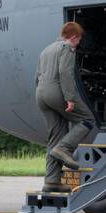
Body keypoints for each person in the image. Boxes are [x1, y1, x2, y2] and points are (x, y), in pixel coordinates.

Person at [34, 22, 94, 192]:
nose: (78, 44)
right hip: (56, 91)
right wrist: (69, 98)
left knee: (55, 136)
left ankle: (52, 181)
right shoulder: (67, 48)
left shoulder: (46, 50)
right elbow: (65, 73)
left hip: (41, 94)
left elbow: (36, 76)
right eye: (79, 40)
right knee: (87, 119)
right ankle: (65, 148)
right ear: (73, 37)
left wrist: (41, 96)